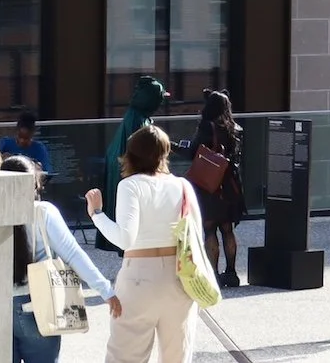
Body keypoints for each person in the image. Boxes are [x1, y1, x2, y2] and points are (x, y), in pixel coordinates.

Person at [85, 124, 200, 363]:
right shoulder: (182, 185)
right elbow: (196, 236)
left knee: (125, 356)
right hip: (178, 278)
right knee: (176, 356)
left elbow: (125, 238)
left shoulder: (130, 185)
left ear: (131, 154)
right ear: (164, 154)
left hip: (139, 277)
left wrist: (97, 214)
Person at [2, 155, 111, 363]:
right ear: (35, 184)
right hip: (39, 304)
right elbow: (73, 254)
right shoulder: (44, 212)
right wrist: (106, 290)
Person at [191, 89, 246, 288]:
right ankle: (231, 273)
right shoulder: (236, 128)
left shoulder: (207, 127)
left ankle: (212, 275)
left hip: (210, 186)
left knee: (209, 229)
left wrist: (172, 145)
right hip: (230, 185)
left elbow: (193, 152)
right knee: (227, 229)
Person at [99, 76, 167, 233]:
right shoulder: (138, 120)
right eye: (160, 99)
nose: (161, 104)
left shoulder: (137, 116)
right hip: (130, 176)